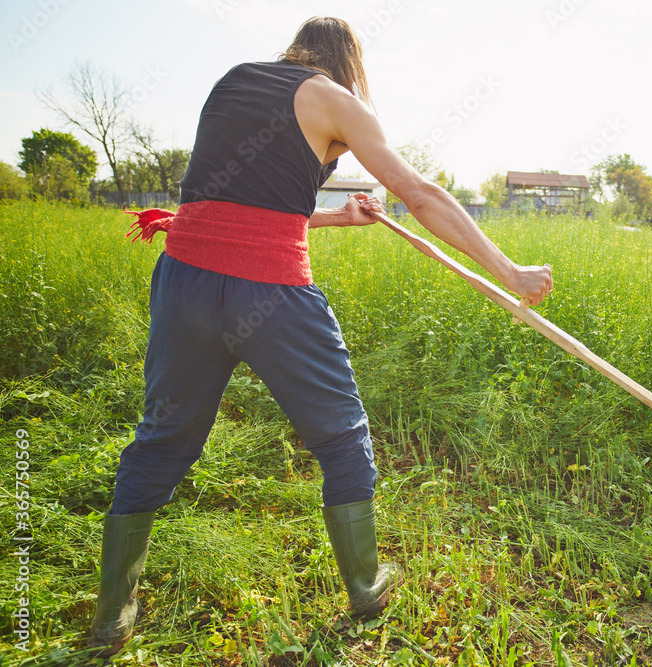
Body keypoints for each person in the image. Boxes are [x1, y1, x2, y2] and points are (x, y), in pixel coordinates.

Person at [89, 16, 553, 657]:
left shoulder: (231, 83)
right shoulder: (335, 98)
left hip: (186, 279)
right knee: (341, 436)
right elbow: (418, 192)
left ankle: (113, 613)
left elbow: (246, 208)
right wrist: (511, 273)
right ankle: (366, 588)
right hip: (272, 292)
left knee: (162, 438)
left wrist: (339, 215)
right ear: (349, 63)